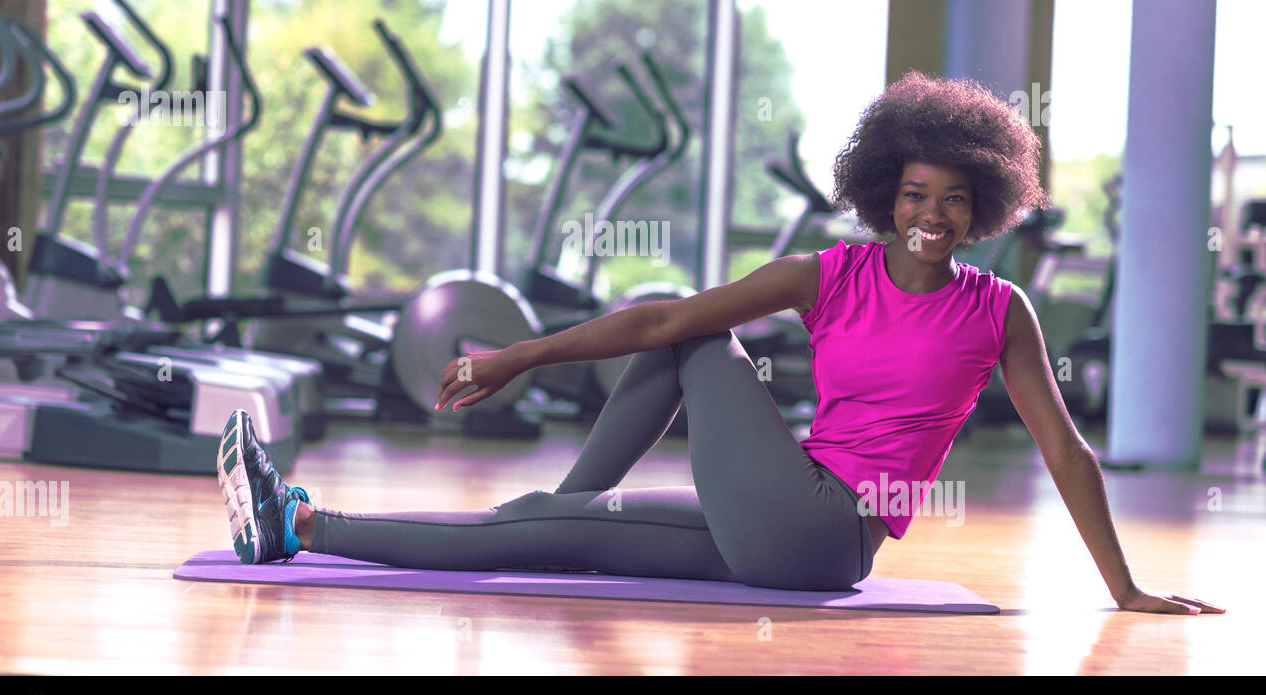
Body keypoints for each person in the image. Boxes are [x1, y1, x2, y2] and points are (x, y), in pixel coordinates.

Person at [217, 71, 1224, 613]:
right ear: (882, 193)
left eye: (952, 201)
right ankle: (300, 526)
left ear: (981, 208)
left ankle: (548, 493)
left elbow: (1066, 450)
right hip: (788, 529)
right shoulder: (828, 275)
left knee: (690, 338)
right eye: (913, 194)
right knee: (542, 541)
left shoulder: (997, 309)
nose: (929, 215)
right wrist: (516, 355)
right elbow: (652, 327)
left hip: (829, 533)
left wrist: (1124, 588)